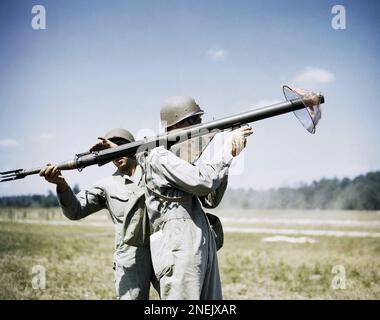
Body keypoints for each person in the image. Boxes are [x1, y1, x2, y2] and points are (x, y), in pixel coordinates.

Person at [138, 96, 253, 299]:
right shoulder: (158, 157)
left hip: (199, 245)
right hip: (179, 247)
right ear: (177, 125)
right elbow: (203, 182)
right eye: (194, 122)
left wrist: (230, 155)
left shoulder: (179, 161)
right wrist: (225, 152)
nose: (200, 127)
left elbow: (211, 200)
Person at [39, 128, 157, 300]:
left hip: (164, 248)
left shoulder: (156, 170)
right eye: (109, 151)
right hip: (130, 257)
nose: (116, 153)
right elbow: (76, 210)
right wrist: (61, 184)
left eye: (120, 146)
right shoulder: (106, 186)